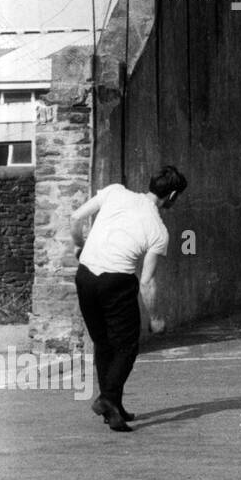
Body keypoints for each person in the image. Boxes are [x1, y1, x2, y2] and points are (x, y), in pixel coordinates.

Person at [70, 165, 188, 432]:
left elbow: (75, 218)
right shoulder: (159, 231)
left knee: (103, 343)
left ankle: (114, 408)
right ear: (171, 196)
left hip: (85, 276)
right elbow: (146, 282)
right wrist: (155, 319)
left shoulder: (115, 192)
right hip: (117, 283)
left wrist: (79, 246)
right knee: (126, 346)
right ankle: (108, 399)